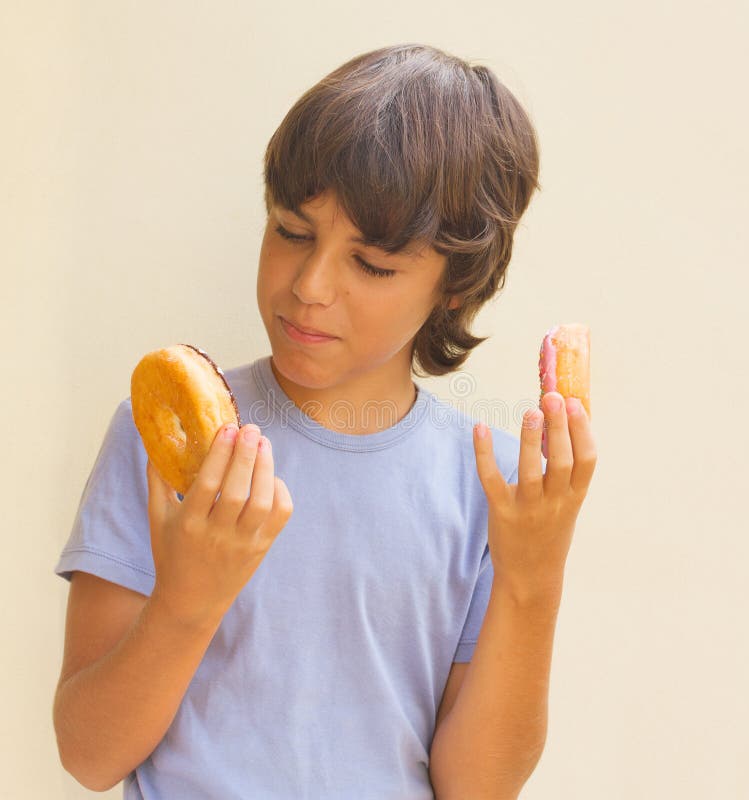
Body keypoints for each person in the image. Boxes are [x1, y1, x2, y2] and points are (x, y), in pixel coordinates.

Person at [52, 42, 560, 798]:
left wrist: (534, 577)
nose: (310, 285)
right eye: (292, 231)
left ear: (456, 285)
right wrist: (188, 602)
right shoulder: (165, 443)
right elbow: (88, 755)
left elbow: (478, 788)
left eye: (373, 264)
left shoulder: (494, 486)